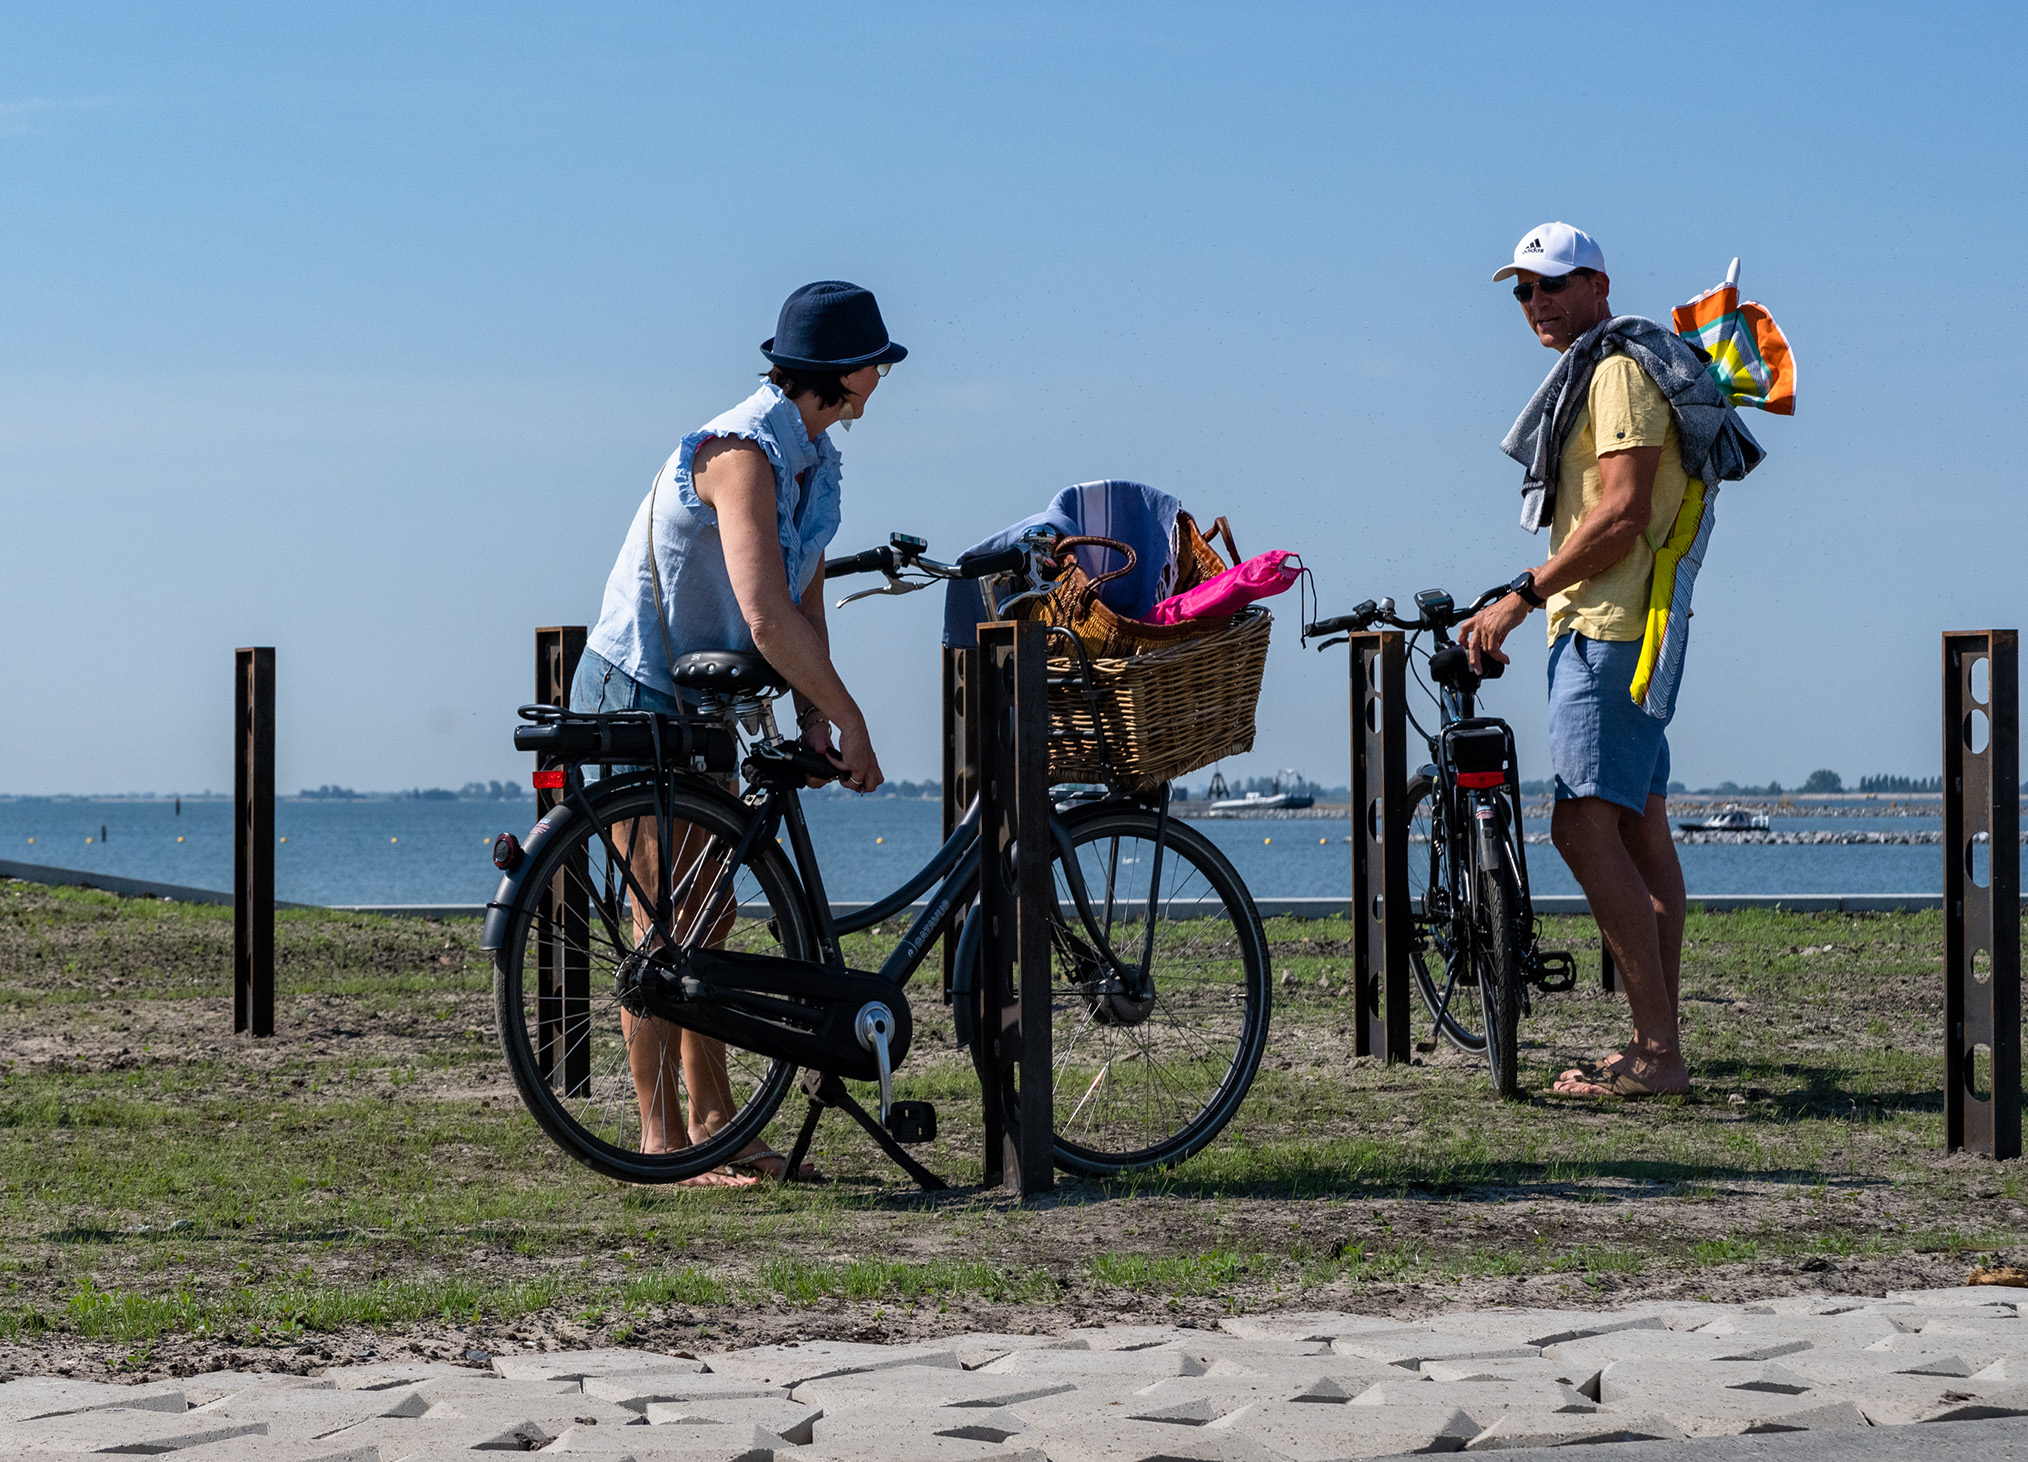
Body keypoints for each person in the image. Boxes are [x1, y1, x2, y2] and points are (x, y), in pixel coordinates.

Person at [574, 280, 903, 1180]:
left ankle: (721, 1130)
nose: (883, 380)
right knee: (665, 926)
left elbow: (805, 597)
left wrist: (814, 716)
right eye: (878, 365)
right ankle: (660, 1138)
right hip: (639, 692)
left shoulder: (815, 458)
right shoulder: (742, 454)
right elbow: (763, 616)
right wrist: (855, 718)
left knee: (706, 919)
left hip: (705, 700)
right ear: (846, 373)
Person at [1457, 223, 1758, 1100]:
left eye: (1552, 285)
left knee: (1581, 827)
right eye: (1522, 291)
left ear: (1599, 284)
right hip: (1629, 629)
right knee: (1639, 832)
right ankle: (1652, 1043)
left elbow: (1623, 511)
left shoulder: (1620, 373)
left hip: (1609, 629)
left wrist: (1523, 593)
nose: (1536, 304)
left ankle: (1658, 1055)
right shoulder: (1612, 365)